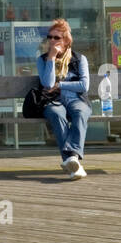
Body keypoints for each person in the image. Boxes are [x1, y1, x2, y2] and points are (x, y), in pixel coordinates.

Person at [37, 18, 91, 179]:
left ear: (66, 40)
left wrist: (60, 85)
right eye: (50, 37)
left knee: (81, 113)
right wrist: (51, 59)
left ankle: (72, 158)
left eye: (57, 38)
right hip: (52, 100)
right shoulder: (42, 60)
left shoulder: (80, 59)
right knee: (56, 114)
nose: (52, 41)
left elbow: (84, 86)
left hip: (77, 99)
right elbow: (47, 84)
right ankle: (72, 161)